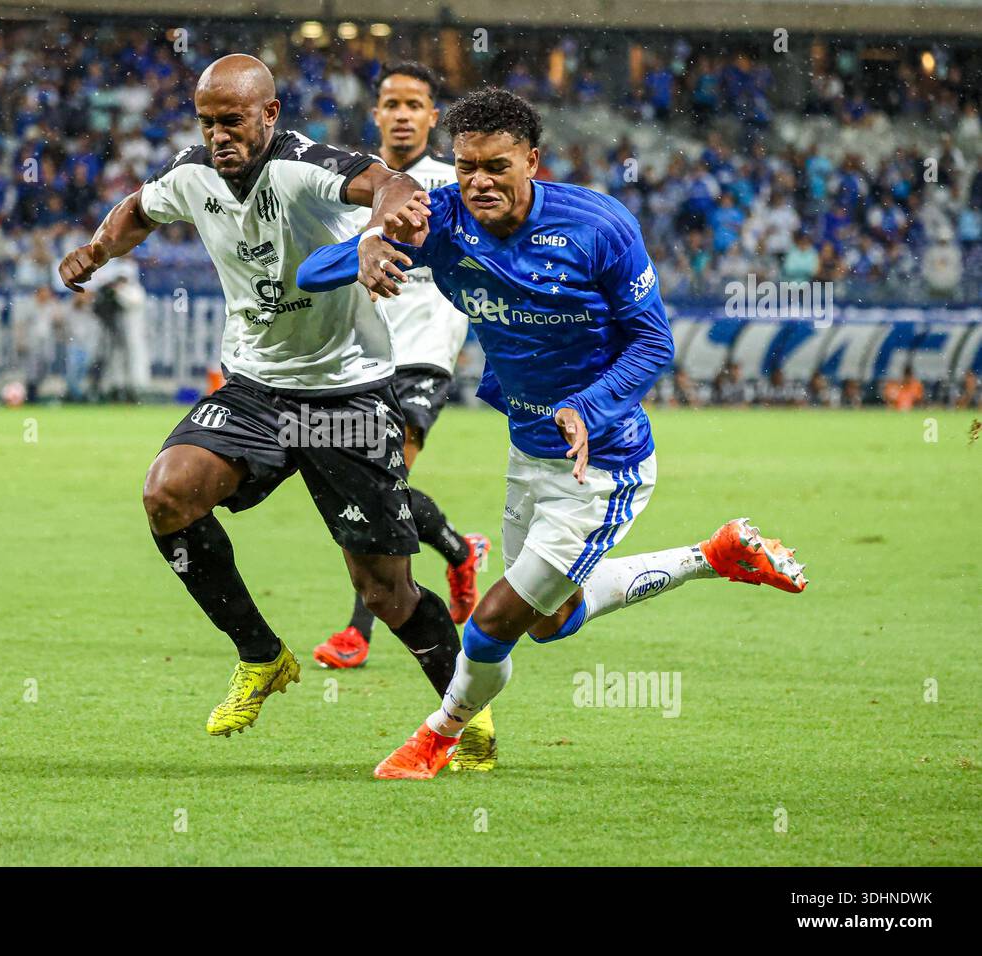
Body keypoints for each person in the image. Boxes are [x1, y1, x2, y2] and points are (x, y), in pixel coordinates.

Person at [296, 88, 807, 779]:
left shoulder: (600, 224)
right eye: (467, 165)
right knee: (550, 620)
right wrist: (361, 248)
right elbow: (308, 272)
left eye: (497, 167)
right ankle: (713, 555)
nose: (479, 181)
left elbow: (653, 343)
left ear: (531, 161)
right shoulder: (440, 220)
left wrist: (588, 409)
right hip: (528, 453)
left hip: (602, 466)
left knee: (493, 624)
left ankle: (440, 735)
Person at [58, 55, 493, 768]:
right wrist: (100, 247)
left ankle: (465, 714)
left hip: (348, 395)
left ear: (269, 114)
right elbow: (138, 209)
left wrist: (383, 225)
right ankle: (261, 655)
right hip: (256, 390)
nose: (219, 135)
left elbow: (390, 182)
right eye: (207, 122)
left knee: (384, 591)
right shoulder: (192, 174)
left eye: (232, 120)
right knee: (168, 494)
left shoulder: (303, 167)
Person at [310, 62, 491, 708]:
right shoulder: (357, 186)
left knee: (381, 485)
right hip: (359, 361)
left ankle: (359, 631)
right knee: (376, 488)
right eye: (393, 103)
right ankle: (457, 547)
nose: (405, 114)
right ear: (378, 114)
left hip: (424, 358)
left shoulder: (454, 184)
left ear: (433, 116)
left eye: (417, 103)